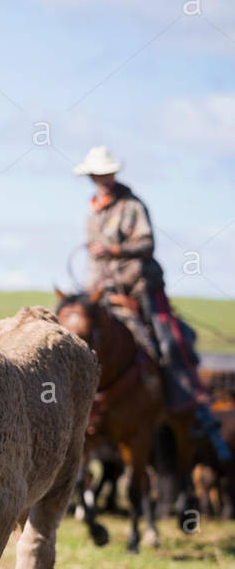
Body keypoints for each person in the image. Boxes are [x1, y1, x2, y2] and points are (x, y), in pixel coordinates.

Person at [74, 145, 229, 461]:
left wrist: (116, 252)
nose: (99, 178)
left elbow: (146, 243)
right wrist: (94, 291)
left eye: (103, 173)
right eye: (95, 174)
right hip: (103, 291)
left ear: (112, 174)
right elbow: (92, 258)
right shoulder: (92, 212)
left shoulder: (132, 206)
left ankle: (188, 407)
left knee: (169, 343)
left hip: (140, 288)